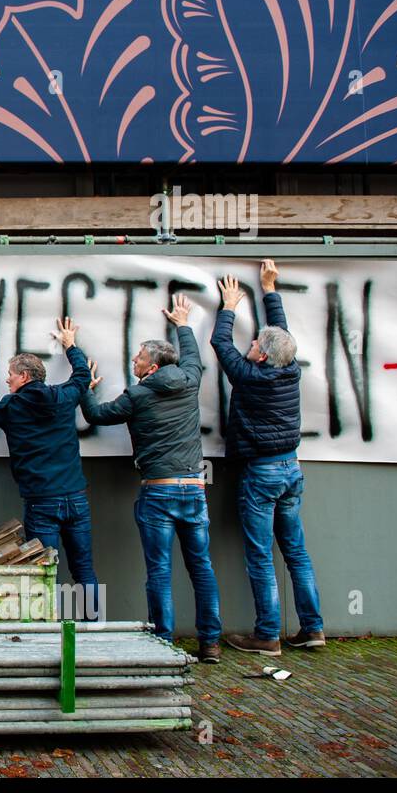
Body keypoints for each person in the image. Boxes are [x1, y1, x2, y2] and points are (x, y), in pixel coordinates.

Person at [79, 294, 221, 662]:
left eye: (139, 358)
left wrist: (85, 388)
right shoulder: (190, 380)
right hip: (193, 487)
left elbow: (96, 415)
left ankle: (165, 641)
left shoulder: (137, 396)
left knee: (159, 569)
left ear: (153, 367)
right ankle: (211, 643)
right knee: (201, 567)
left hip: (158, 491)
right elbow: (192, 355)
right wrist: (183, 323)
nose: (134, 361)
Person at [212, 260, 323, 654]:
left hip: (262, 474)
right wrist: (269, 289)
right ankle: (312, 628)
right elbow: (283, 334)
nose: (251, 344)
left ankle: (267, 635)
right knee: (295, 551)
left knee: (260, 556)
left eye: (256, 344)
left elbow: (220, 345)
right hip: (291, 468)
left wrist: (228, 306)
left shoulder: (249, 376)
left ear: (260, 357)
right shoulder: (288, 367)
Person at [0, 319, 100, 615]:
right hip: (75, 497)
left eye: (10, 375)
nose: (7, 380)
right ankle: (92, 631)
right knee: (83, 569)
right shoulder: (64, 396)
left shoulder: (11, 406)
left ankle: (49, 632)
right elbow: (82, 375)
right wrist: (70, 343)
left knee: (43, 570)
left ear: (23, 376)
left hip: (42, 502)